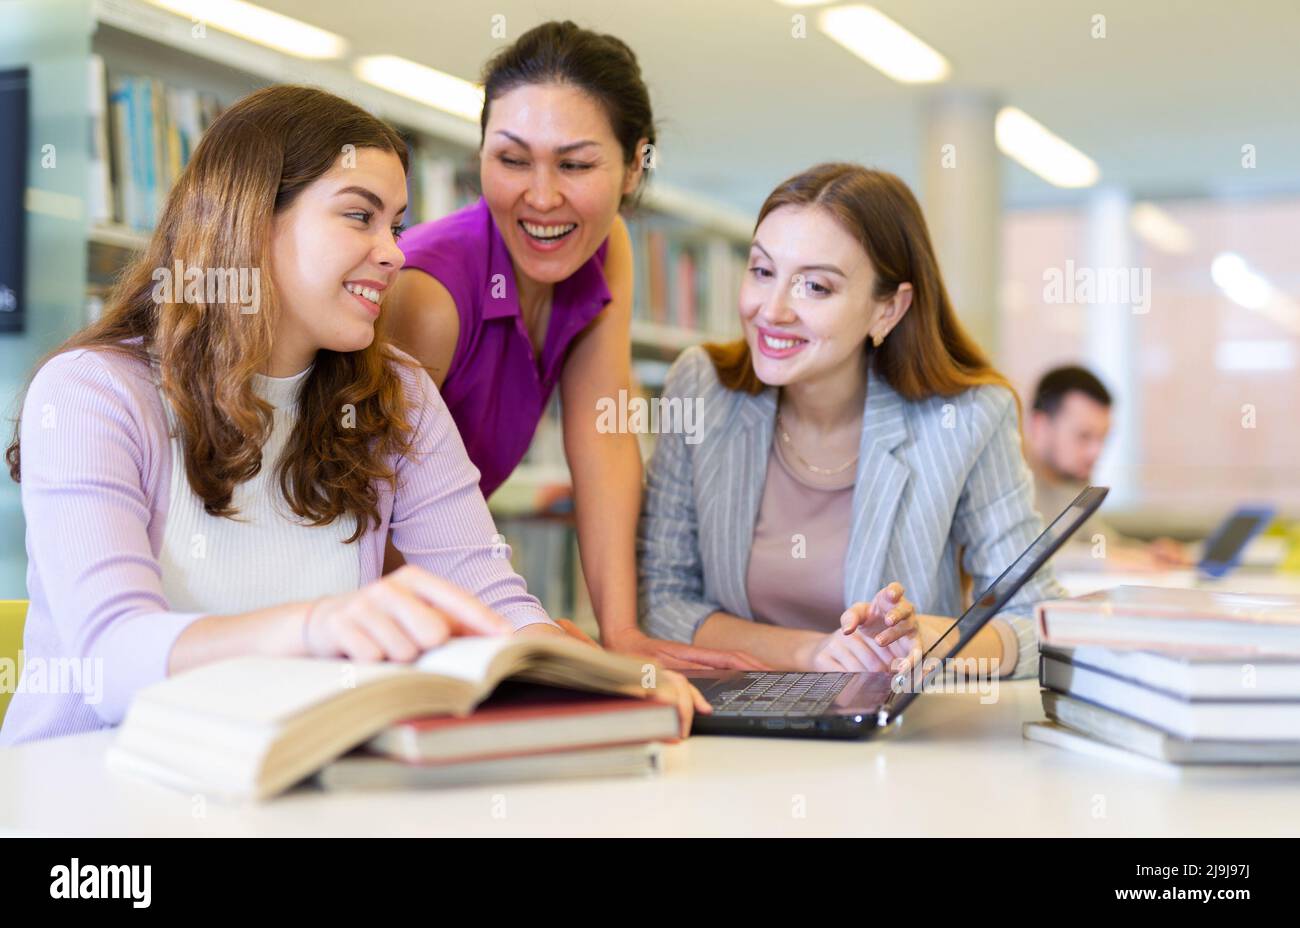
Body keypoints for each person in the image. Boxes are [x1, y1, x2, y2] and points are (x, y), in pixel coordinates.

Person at [0, 85, 701, 746]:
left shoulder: (394, 391)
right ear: (250, 219)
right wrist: (317, 627)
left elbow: (493, 602)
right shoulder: (93, 394)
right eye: (359, 216)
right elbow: (112, 664)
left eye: (396, 225)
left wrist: (595, 681)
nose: (394, 254)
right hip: (92, 798)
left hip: (287, 787)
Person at [384, 20, 761, 671]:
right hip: (373, 600)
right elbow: (367, 520)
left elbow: (605, 435)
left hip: (449, 602)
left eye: (576, 164)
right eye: (511, 159)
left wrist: (623, 632)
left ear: (634, 165)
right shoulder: (427, 295)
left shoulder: (606, 247)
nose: (541, 196)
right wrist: (497, 633)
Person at [638, 163, 1068, 679]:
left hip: (892, 745)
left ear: (888, 310)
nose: (771, 310)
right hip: (726, 728)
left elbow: (1035, 621)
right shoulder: (703, 389)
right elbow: (661, 603)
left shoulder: (968, 419)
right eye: (762, 271)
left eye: (815, 287)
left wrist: (927, 638)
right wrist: (811, 652)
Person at [1027, 365, 1189, 569]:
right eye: (1083, 436)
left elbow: (1099, 542)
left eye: (1102, 438)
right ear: (1039, 427)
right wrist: (1103, 562)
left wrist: (1147, 553)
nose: (1095, 452)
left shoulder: (1071, 480)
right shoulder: (1005, 485)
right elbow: (1019, 561)